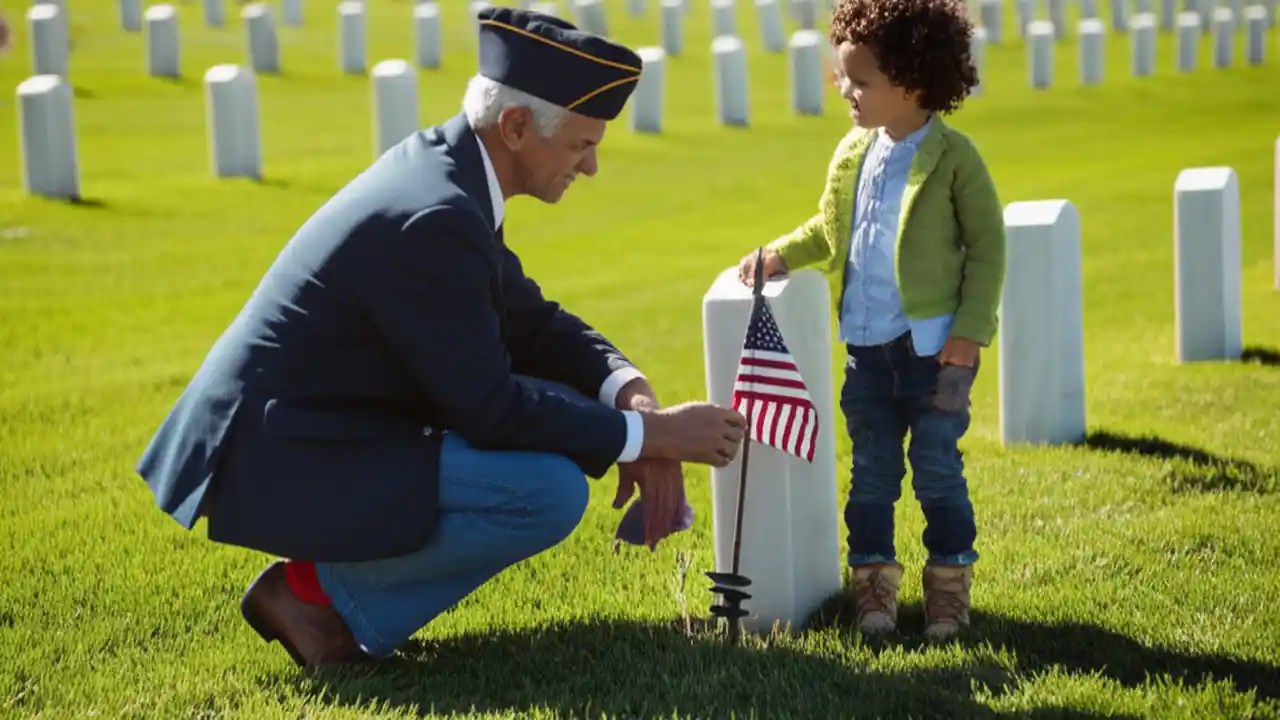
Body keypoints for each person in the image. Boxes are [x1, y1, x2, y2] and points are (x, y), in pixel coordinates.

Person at [137, 7, 746, 666]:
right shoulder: (439, 214)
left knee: (556, 441)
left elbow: (529, 321)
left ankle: (319, 593)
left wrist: (629, 396)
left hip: (321, 421)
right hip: (282, 443)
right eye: (580, 144)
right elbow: (487, 409)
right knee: (547, 491)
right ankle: (311, 596)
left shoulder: (452, 174)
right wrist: (654, 438)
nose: (592, 166)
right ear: (515, 127)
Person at [737, 0, 1006, 639]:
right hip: (866, 352)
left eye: (861, 82)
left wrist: (970, 333)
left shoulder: (954, 159)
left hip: (937, 352)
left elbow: (989, 250)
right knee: (872, 475)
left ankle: (947, 587)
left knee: (938, 469)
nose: (846, 92)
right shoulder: (853, 153)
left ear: (912, 83)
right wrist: (777, 254)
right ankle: (874, 589)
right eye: (842, 79)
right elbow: (829, 233)